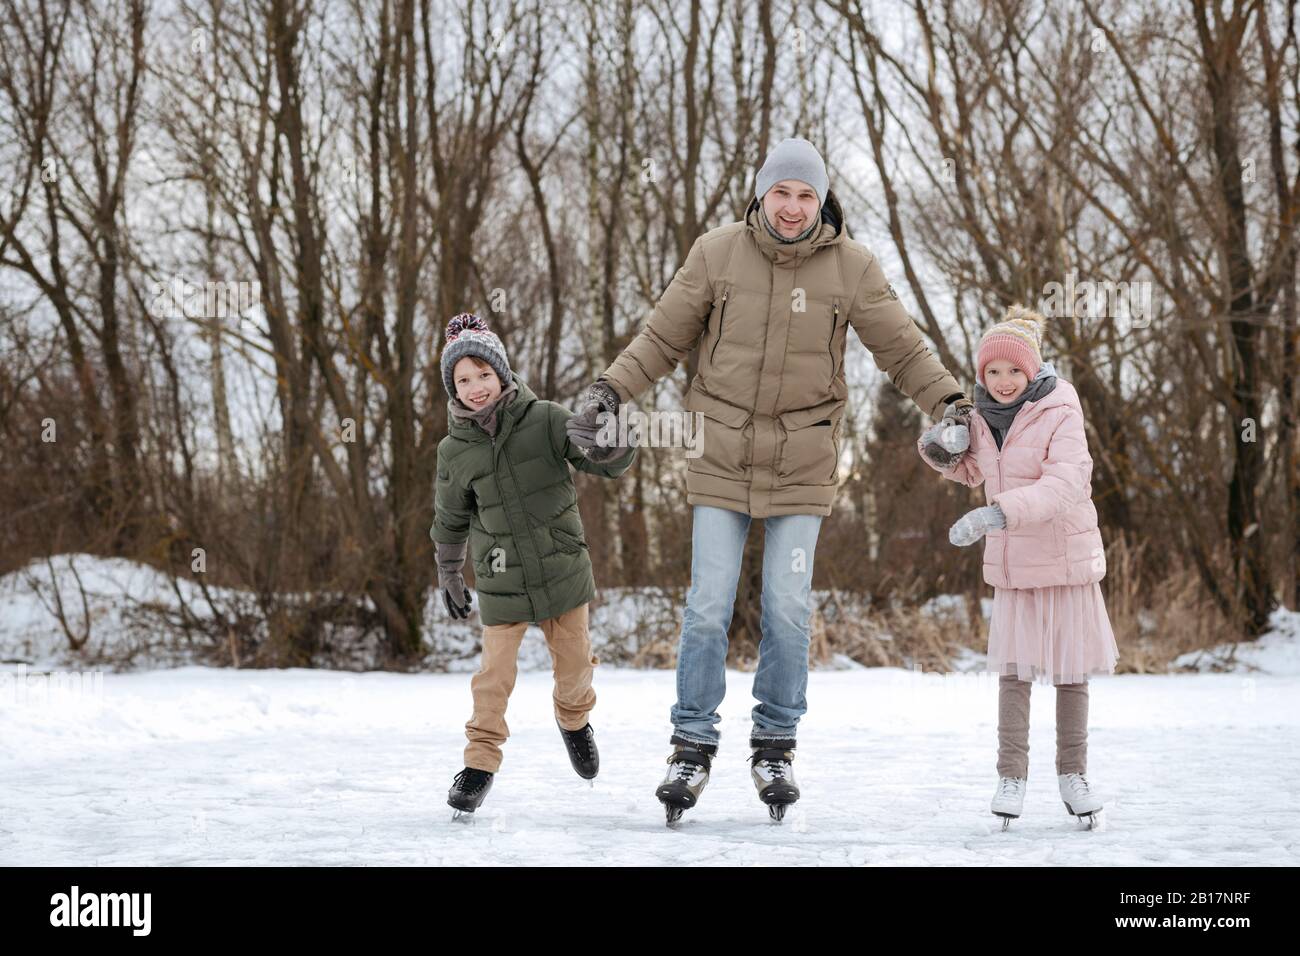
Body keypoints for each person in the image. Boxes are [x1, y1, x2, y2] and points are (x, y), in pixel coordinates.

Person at [566, 137, 972, 824]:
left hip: (802, 463)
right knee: (706, 604)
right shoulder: (716, 252)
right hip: (720, 457)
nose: (792, 207)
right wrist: (610, 390)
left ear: (822, 202)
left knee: (787, 606)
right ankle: (691, 743)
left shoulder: (852, 268)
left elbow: (901, 347)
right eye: (781, 192)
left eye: (805, 195)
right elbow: (663, 337)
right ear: (761, 194)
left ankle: (775, 743)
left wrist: (953, 402)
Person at [919, 303, 1118, 830]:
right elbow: (967, 470)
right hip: (1014, 564)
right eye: (992, 372)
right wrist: (942, 446)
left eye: (1013, 371)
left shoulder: (1061, 409)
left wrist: (998, 512)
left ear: (1033, 372)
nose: (1003, 382)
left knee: (1070, 674)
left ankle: (1073, 774)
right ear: (981, 375)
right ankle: (1012, 776)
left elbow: (1067, 481)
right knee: (1014, 672)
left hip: (1064, 559)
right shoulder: (982, 416)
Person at [431, 313, 636, 817]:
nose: (476, 387)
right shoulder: (454, 451)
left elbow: (600, 462)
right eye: (463, 379)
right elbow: (450, 519)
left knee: (573, 671)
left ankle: (573, 721)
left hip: (563, 573)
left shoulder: (545, 417)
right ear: (452, 388)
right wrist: (450, 572)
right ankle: (479, 764)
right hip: (501, 581)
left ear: (502, 372)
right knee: (492, 677)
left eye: (483, 375)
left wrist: (609, 440)